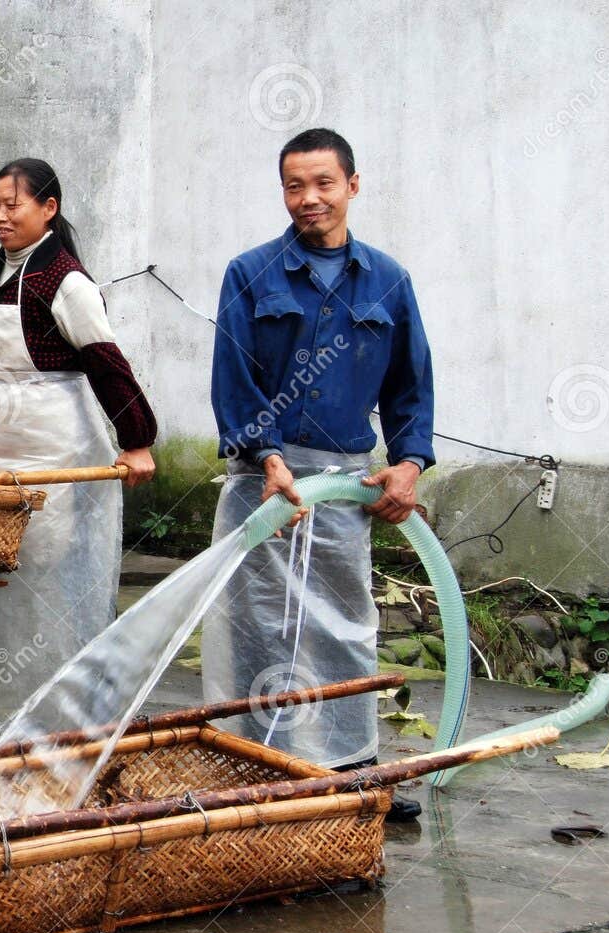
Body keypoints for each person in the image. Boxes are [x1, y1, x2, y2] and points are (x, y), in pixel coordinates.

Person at [202, 128, 434, 820]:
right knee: (259, 631)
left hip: (342, 485)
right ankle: (256, 776)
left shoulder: (389, 281)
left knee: (343, 628)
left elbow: (410, 387)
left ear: (352, 186)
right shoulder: (251, 273)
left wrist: (409, 465)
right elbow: (232, 381)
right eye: (295, 185)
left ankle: (353, 773)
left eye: (324, 183)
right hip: (265, 480)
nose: (310, 199)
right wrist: (267, 456)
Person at [0, 158, 157, 757]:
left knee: (53, 583)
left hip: (52, 444)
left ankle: (63, 719)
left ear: (48, 209)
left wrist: (137, 439)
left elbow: (105, 361)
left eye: (12, 205)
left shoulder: (66, 281)